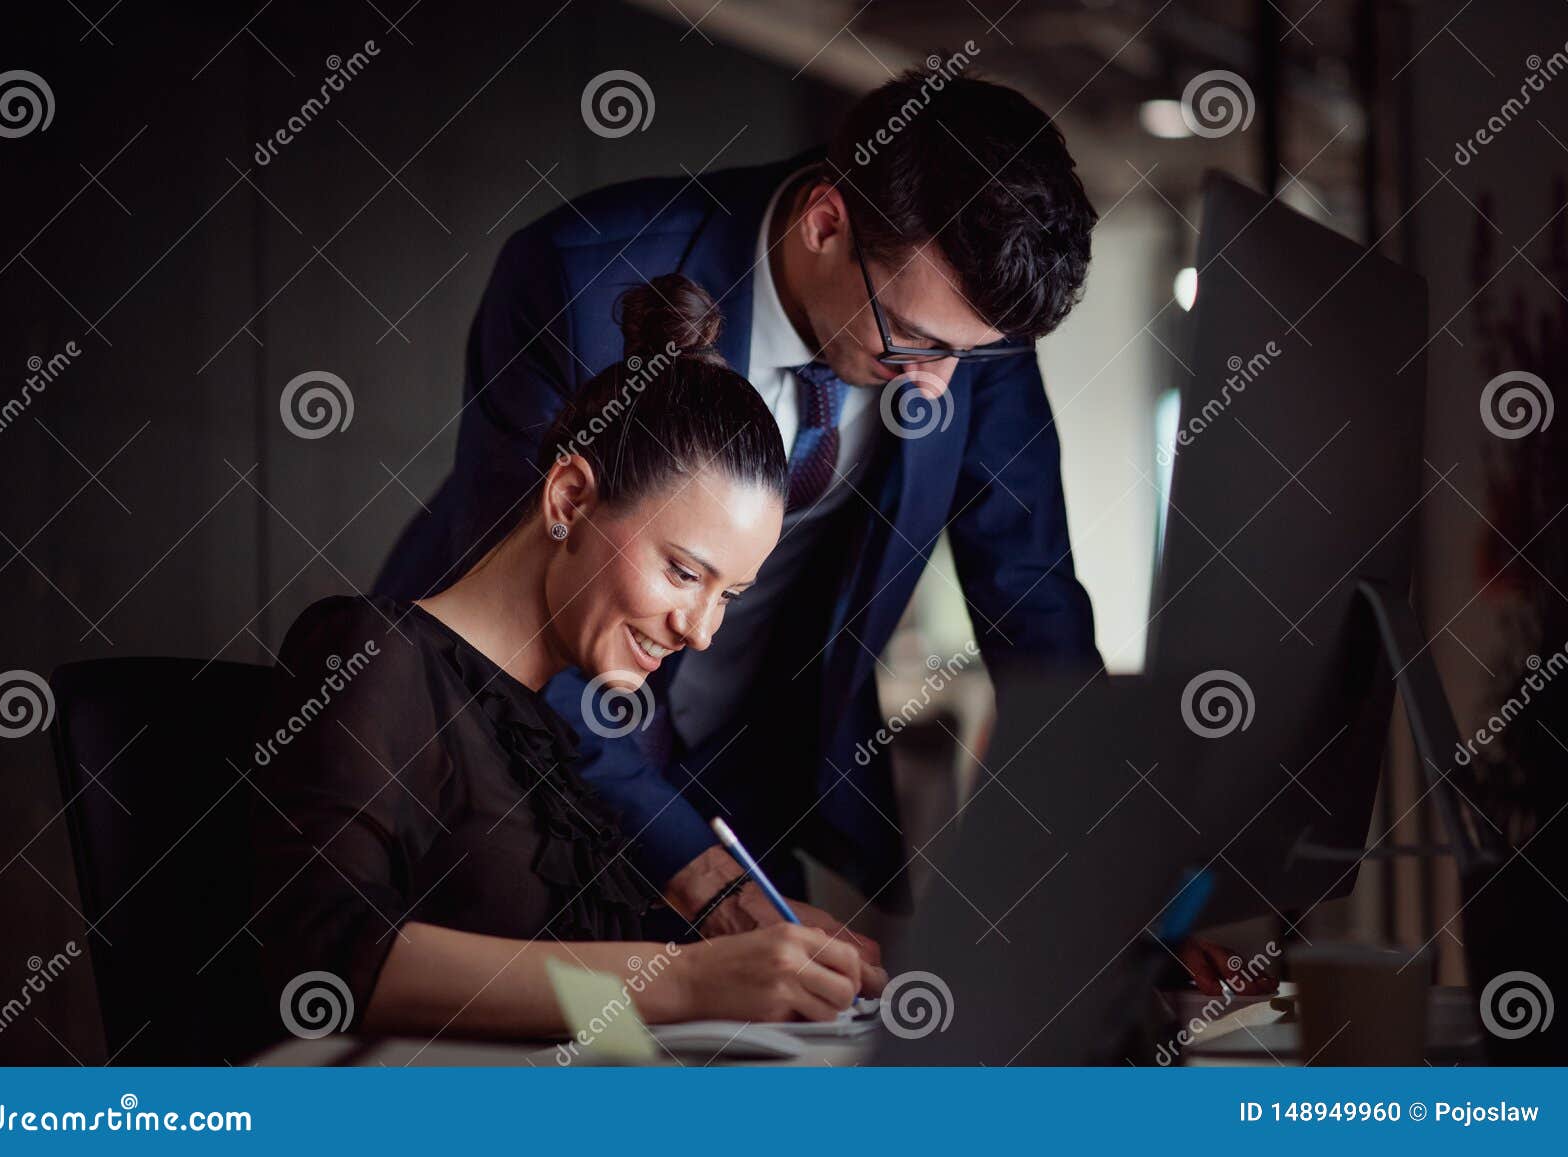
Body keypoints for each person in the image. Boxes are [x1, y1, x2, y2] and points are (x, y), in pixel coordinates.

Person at [374, 68, 1254, 996]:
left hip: (746, 798)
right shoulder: (584, 275)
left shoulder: (957, 322)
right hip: (514, 764)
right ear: (826, 224)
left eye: (973, 354)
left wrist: (1127, 900)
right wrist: (700, 879)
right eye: (913, 342)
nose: (940, 386)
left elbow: (1032, 600)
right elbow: (526, 617)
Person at [250, 277, 883, 1040]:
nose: (701, 630)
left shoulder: (567, 754)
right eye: (684, 572)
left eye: (729, 594)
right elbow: (323, 960)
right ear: (570, 499)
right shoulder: (369, 657)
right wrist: (684, 981)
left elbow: (575, 1021)